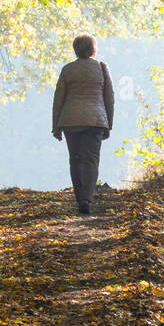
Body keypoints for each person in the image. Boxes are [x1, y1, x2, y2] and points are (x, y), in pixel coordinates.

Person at [52, 34, 114, 216]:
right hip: (95, 121)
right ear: (93, 49)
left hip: (70, 121)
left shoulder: (67, 70)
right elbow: (109, 98)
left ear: (75, 49)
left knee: (75, 159)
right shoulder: (102, 68)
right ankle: (87, 198)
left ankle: (80, 198)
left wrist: (55, 125)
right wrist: (108, 124)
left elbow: (58, 100)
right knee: (91, 160)